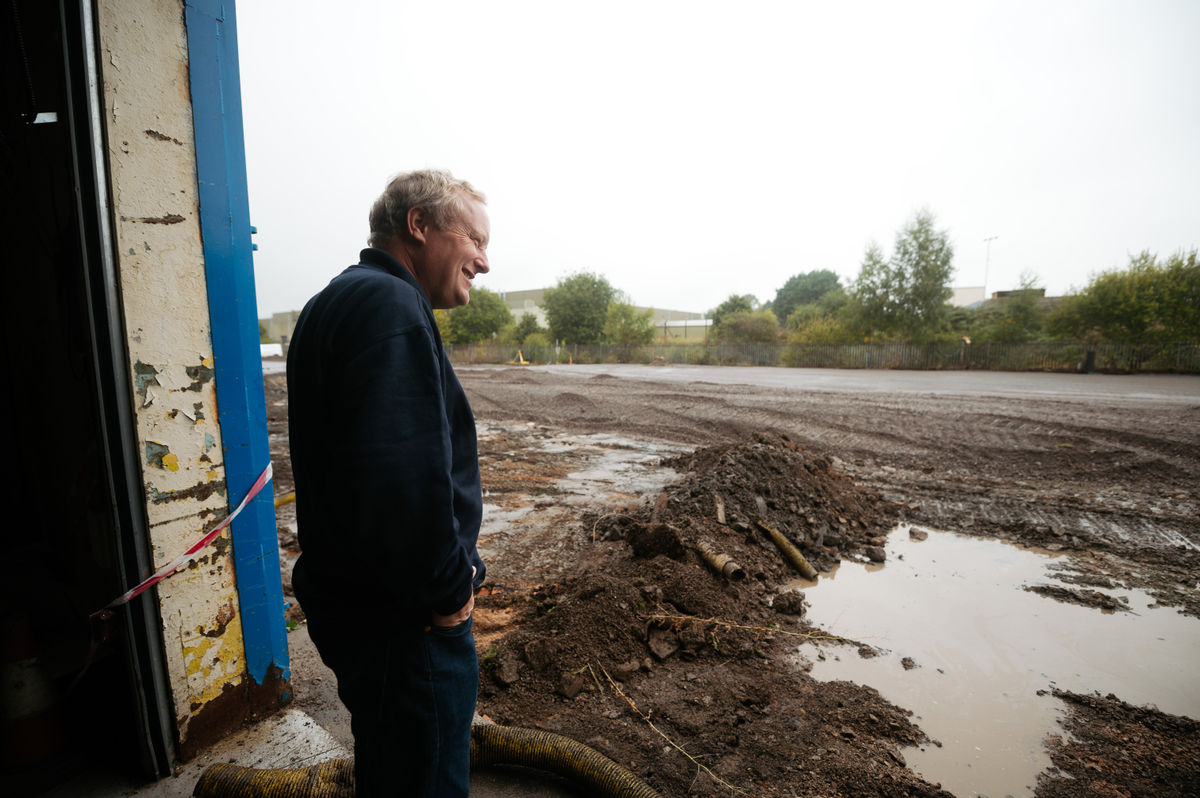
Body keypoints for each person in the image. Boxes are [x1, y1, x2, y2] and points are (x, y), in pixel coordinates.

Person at [286, 169, 490, 796]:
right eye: (475, 240)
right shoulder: (388, 305)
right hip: (406, 625)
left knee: (392, 770)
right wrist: (449, 594)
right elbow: (401, 480)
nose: (484, 262)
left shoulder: (340, 298)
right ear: (418, 225)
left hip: (365, 608)